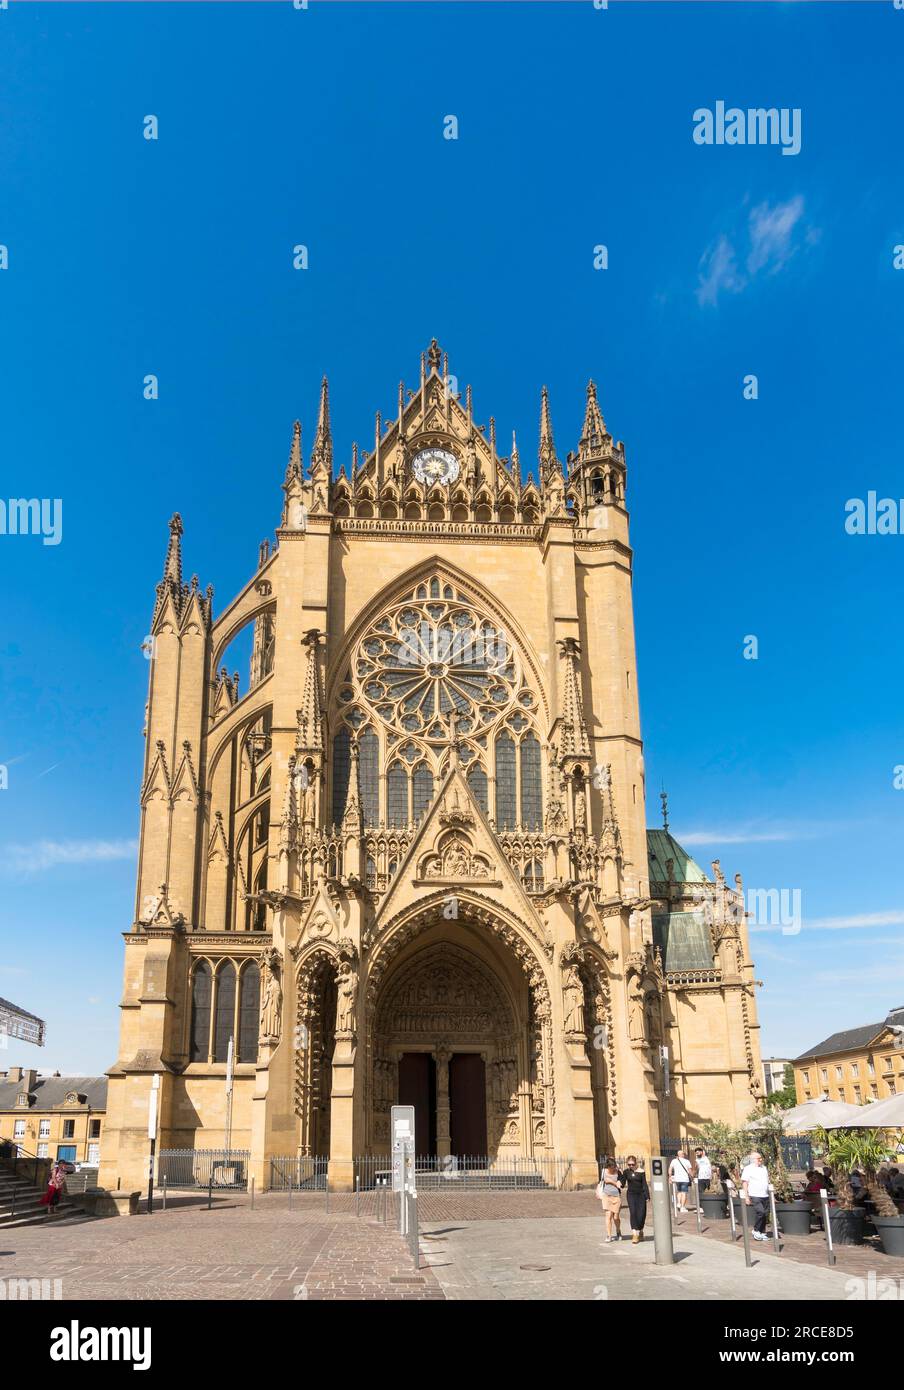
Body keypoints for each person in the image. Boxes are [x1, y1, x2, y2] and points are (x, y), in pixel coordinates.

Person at [740, 1150, 771, 1241]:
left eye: (761, 1158)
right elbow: (745, 1182)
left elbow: (766, 1181)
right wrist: (746, 1196)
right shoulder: (748, 1168)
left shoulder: (763, 1168)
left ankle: (761, 1232)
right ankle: (756, 1230)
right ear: (753, 1159)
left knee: (765, 1214)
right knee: (760, 1212)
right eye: (758, 1158)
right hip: (755, 1194)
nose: (760, 1159)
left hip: (765, 1194)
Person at [619, 1155, 650, 1244]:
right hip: (631, 1195)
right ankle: (634, 1234)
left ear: (636, 1163)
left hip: (641, 1195)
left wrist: (647, 1196)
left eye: (632, 1164)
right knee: (633, 1213)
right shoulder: (626, 1172)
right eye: (629, 1165)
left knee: (641, 1214)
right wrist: (619, 1182)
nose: (631, 1166)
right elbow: (623, 1182)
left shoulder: (641, 1171)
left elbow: (644, 1184)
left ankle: (640, 1230)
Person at [596, 1158, 623, 1242]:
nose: (612, 1168)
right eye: (611, 1167)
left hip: (616, 1196)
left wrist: (617, 1182)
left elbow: (622, 1182)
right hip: (606, 1195)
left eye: (613, 1166)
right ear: (607, 1166)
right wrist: (597, 1191)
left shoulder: (618, 1171)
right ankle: (609, 1235)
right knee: (608, 1216)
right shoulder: (604, 1171)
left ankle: (618, 1231)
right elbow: (603, 1181)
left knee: (616, 1217)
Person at [668, 1149, 693, 1213]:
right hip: (684, 1179)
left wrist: (670, 1177)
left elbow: (670, 1168)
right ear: (682, 1154)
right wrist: (692, 1176)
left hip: (677, 1179)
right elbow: (690, 1171)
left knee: (679, 1191)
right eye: (683, 1154)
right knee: (684, 1193)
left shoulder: (674, 1161)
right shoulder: (687, 1161)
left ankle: (678, 1203)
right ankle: (682, 1207)